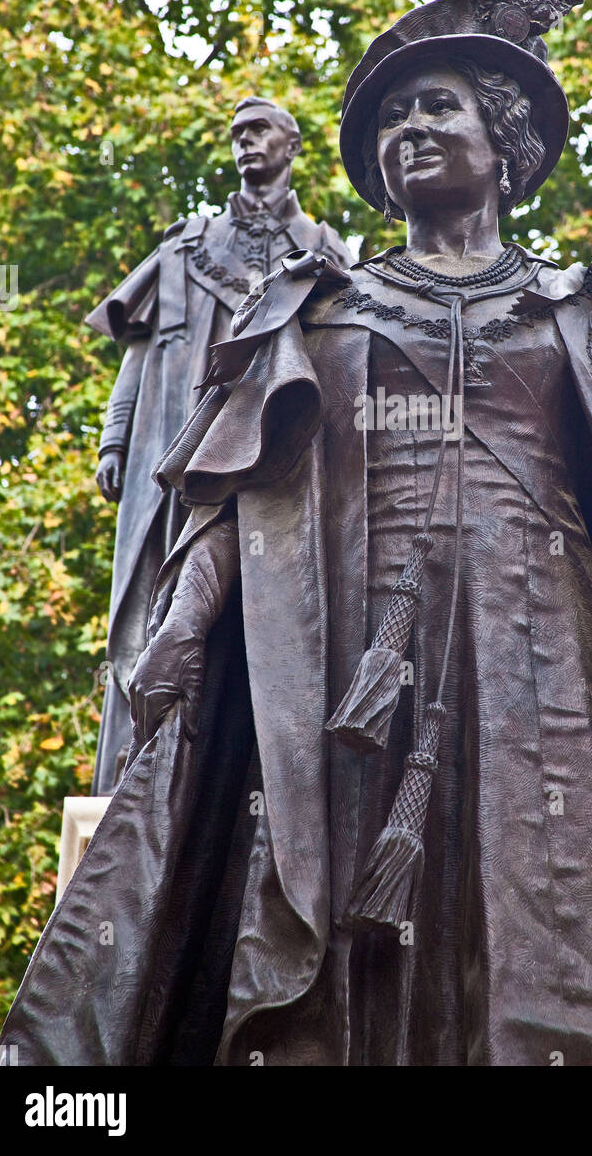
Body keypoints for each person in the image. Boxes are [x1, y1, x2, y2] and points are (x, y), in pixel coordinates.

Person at [0, 0, 592, 1066]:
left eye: (434, 108)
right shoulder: (322, 310)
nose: (406, 132)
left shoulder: (575, 311)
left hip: (540, 642)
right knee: (350, 919)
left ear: (504, 143)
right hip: (349, 647)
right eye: (390, 119)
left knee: (541, 892)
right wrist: (186, 621)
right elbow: (243, 491)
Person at [86, 97, 353, 793]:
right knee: (156, 601)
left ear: (292, 145)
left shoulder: (325, 252)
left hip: (271, 464)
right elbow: (138, 356)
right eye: (236, 135)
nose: (244, 144)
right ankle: (138, 766)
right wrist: (116, 439)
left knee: (265, 606)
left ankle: (244, 777)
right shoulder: (185, 247)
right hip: (171, 460)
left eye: (259, 131)